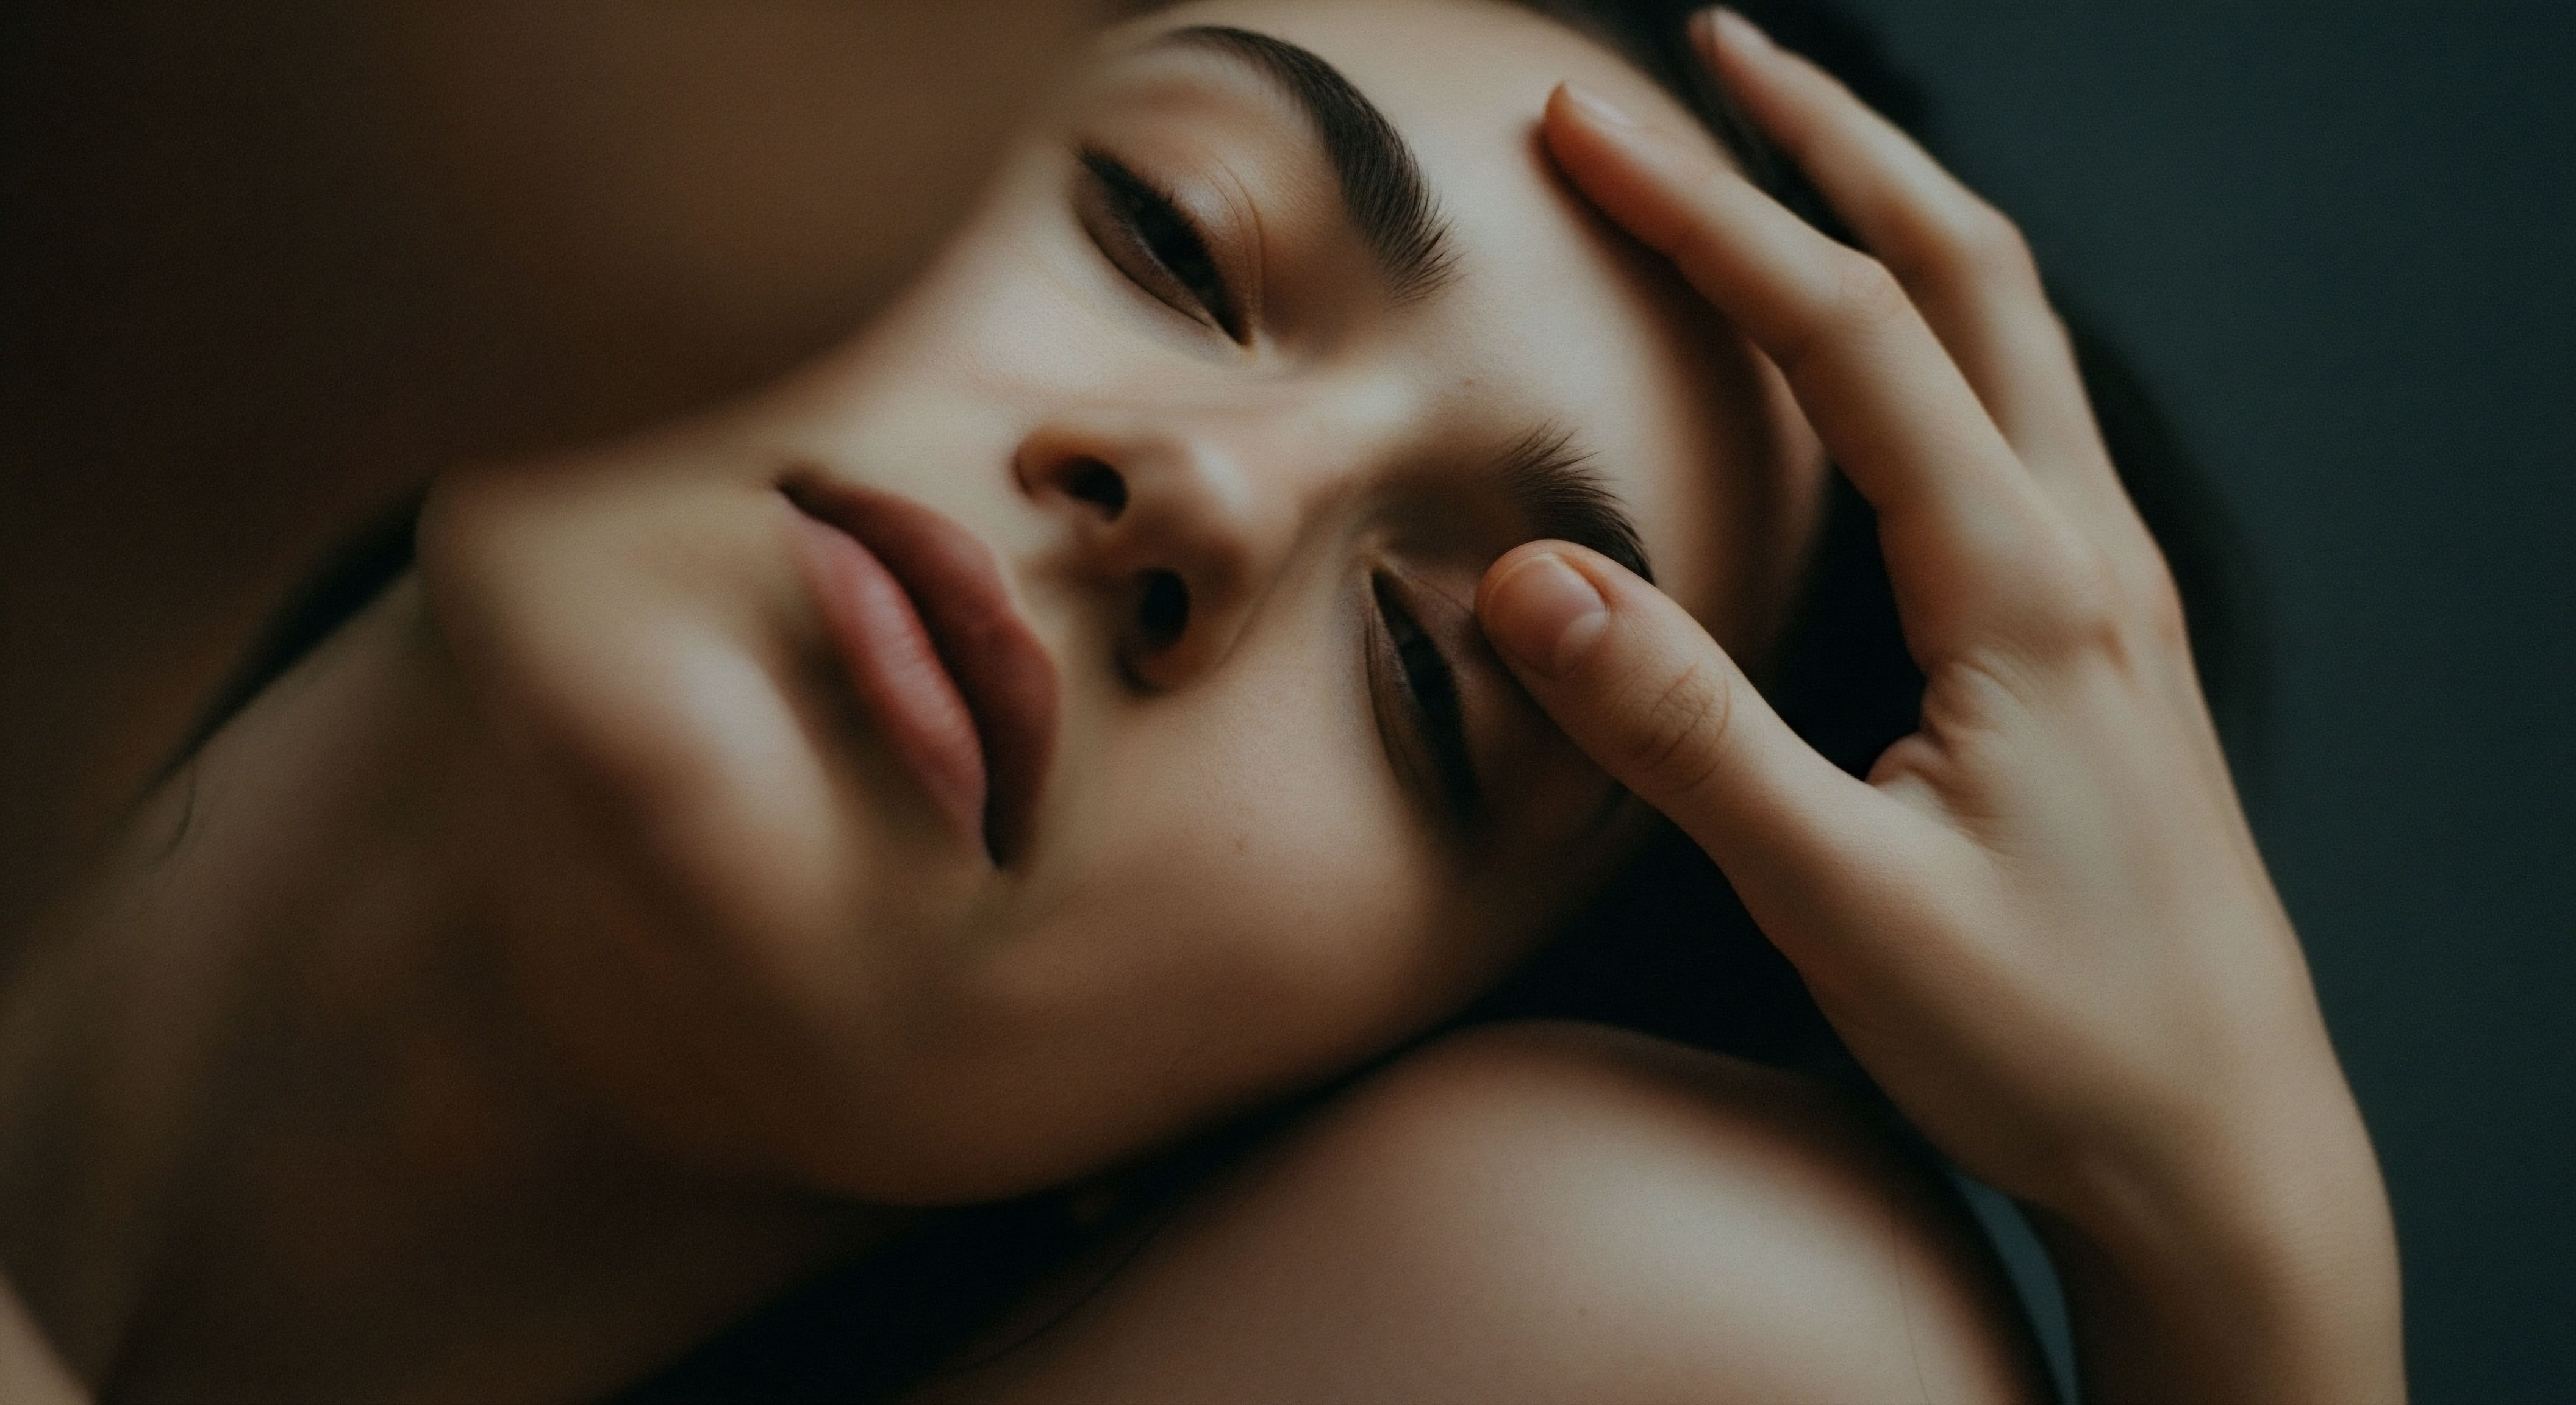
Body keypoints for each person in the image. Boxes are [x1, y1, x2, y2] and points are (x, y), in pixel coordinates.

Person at [0, 2, 2399, 1401]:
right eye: (1170, 236)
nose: (1209, 505)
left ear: (1325, 1098)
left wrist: (2246, 1260)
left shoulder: (1602, 1260)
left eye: (1445, 685)